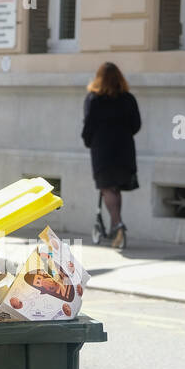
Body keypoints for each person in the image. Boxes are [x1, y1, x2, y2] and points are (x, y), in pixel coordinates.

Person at [81, 62, 141, 247]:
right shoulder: (128, 99)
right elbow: (136, 125)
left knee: (107, 188)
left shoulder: (94, 99)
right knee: (114, 188)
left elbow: (88, 126)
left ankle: (117, 224)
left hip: (103, 150)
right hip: (124, 150)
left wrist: (89, 141)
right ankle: (117, 227)